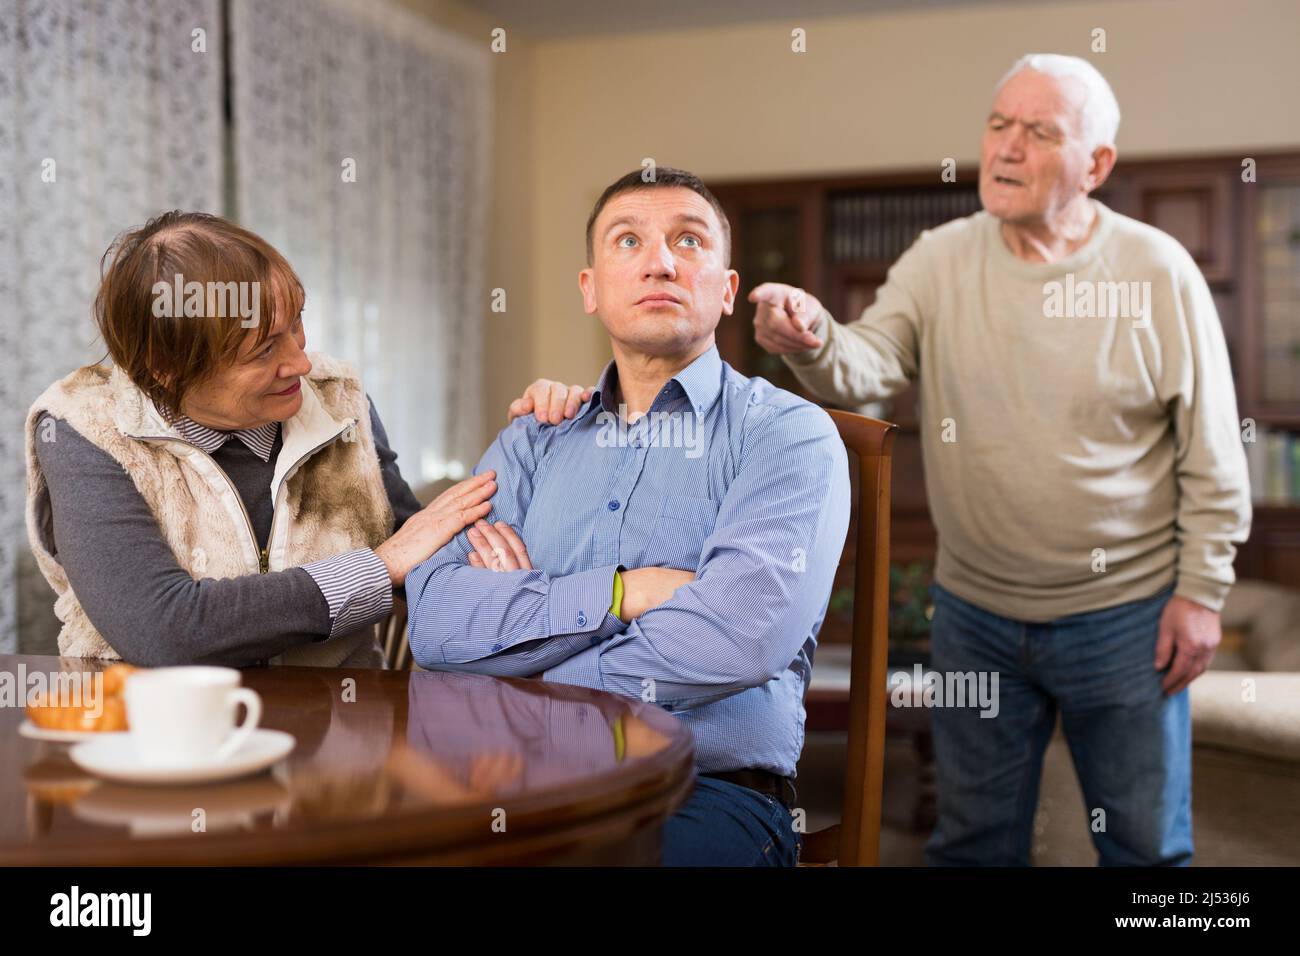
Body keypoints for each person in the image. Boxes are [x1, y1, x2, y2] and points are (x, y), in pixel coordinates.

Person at [746, 54, 1251, 865]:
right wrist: (815, 338)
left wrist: (1201, 591)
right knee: (971, 846)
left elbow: (1213, 451)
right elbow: (868, 366)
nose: (1006, 148)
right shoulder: (939, 258)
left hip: (1126, 616)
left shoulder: (1157, 272)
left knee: (1145, 850)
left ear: (1098, 165)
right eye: (998, 125)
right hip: (975, 616)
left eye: (1040, 132)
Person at [406, 166, 850, 866]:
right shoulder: (533, 436)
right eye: (628, 240)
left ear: (727, 289)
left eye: (689, 240)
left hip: (703, 789)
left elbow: (738, 635)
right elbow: (435, 622)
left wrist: (520, 678)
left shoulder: (786, 433)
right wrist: (624, 592)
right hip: (504, 778)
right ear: (590, 288)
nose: (661, 261)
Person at [26, 211, 496, 667]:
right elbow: (166, 630)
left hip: (341, 724)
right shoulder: (84, 430)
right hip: (154, 735)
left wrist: (546, 424)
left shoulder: (339, 402)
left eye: (296, 323)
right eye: (265, 348)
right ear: (164, 368)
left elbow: (417, 554)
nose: (301, 363)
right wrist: (375, 570)